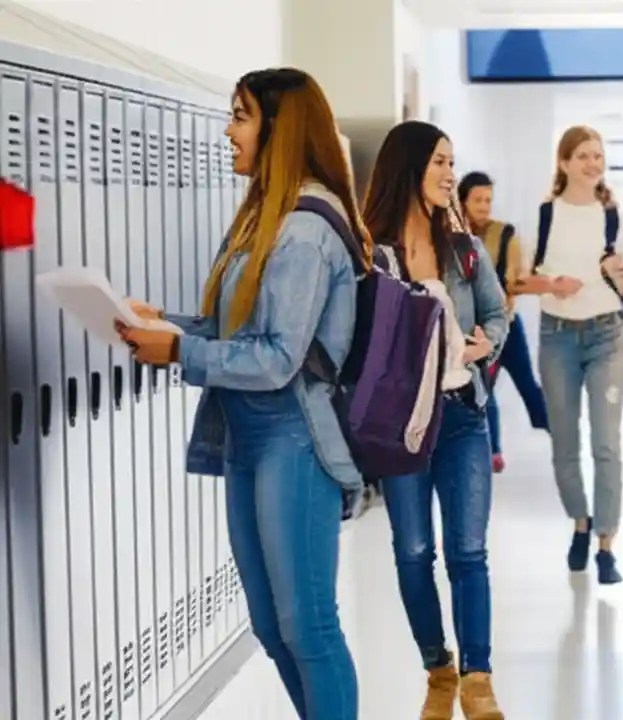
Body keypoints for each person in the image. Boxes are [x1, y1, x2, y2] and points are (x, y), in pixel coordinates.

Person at [118, 68, 362, 719]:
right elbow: (237, 333)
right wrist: (167, 325)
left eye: (241, 116)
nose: (228, 131)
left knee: (309, 627)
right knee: (271, 626)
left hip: (295, 440)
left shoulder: (305, 229)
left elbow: (279, 358)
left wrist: (178, 352)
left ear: (280, 130)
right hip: (247, 439)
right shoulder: (262, 219)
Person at [363, 122, 509, 720]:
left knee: (468, 552)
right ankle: (438, 668)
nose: (451, 173)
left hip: (463, 415)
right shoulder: (372, 253)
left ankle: (479, 679)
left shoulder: (463, 248)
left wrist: (485, 343)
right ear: (410, 167)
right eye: (440, 162)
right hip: (404, 426)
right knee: (413, 551)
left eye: (452, 161)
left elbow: (497, 312)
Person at [523, 125, 623, 584]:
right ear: (564, 162)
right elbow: (518, 280)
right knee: (565, 443)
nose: (592, 163)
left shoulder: (614, 216)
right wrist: (551, 284)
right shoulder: (545, 214)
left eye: (597, 155)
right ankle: (580, 524)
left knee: (606, 443)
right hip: (558, 338)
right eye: (583, 155)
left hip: (607, 335)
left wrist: (621, 272)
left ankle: (607, 545)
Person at [458, 171, 550, 474]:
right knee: (484, 389)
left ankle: (559, 434)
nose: (484, 206)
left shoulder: (505, 234)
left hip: (506, 325)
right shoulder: (452, 236)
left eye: (488, 200)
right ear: (463, 201)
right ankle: (493, 451)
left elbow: (514, 279)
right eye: (478, 200)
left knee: (527, 384)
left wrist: (542, 284)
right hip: (472, 332)